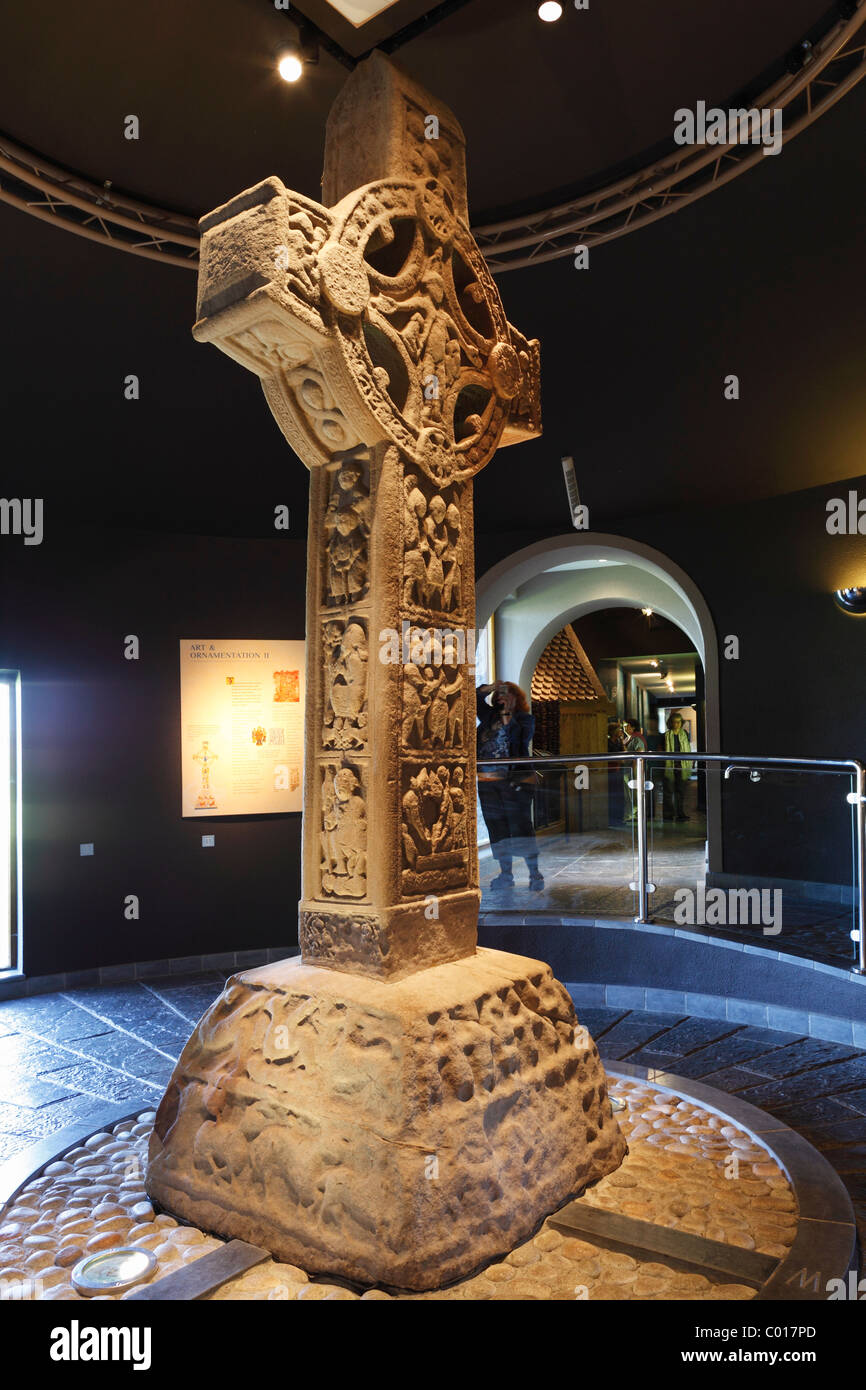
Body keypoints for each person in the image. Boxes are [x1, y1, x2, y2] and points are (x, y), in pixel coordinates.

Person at [476, 680, 542, 891]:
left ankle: (534, 873)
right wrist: (491, 688)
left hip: (516, 783)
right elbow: (474, 698)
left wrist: (507, 713)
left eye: (507, 693)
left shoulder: (525, 720)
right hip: (488, 782)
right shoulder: (489, 717)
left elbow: (518, 738)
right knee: (497, 828)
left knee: (521, 827)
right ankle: (506, 874)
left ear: (516, 698)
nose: (501, 697)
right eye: (499, 694)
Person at [663, 710, 693, 822]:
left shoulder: (685, 734)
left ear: (681, 723)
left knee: (681, 791)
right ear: (671, 723)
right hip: (669, 766)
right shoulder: (666, 735)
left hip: (682, 766)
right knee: (668, 792)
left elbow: (687, 749)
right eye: (674, 722)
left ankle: (680, 813)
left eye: (679, 722)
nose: (676, 724)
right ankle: (668, 814)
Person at [621, 719, 647, 823]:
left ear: (633, 727)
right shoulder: (628, 738)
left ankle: (633, 814)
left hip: (633, 770)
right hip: (628, 769)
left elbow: (639, 753)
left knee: (632, 793)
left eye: (627, 725)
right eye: (624, 726)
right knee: (629, 793)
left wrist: (634, 769)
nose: (624, 728)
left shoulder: (637, 739)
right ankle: (632, 813)